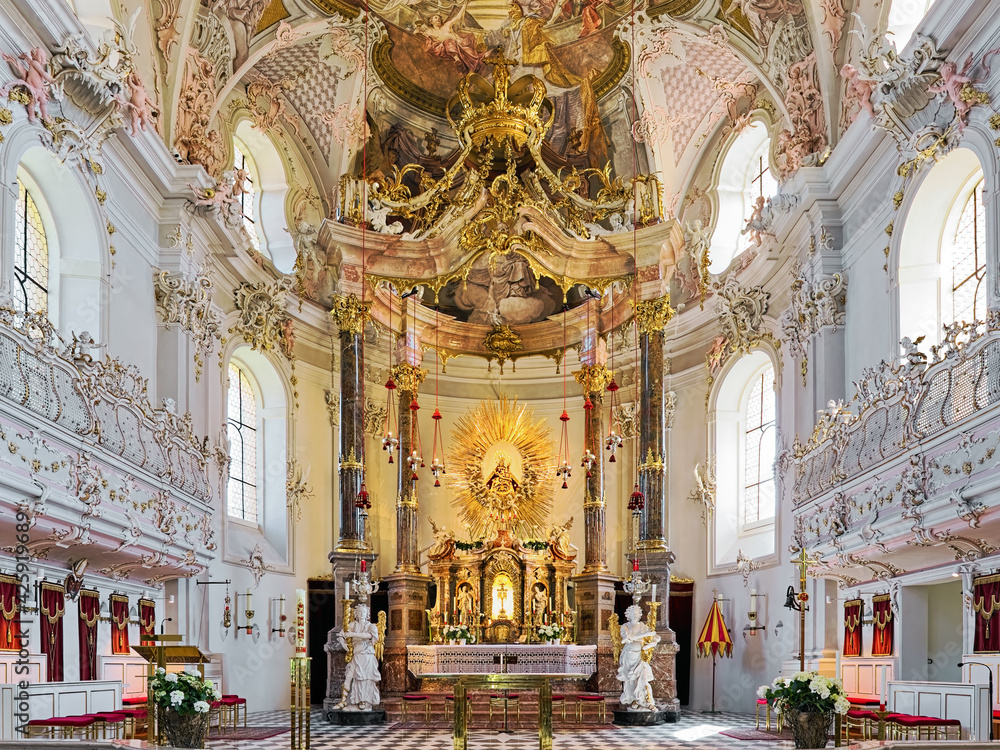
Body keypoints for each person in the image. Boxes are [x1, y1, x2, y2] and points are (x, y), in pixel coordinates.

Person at [335, 603, 382, 711]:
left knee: (365, 679)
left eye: (364, 612)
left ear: (367, 614)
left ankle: (363, 701)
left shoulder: (371, 626)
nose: (362, 614)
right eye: (360, 612)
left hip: (367, 656)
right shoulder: (352, 625)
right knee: (350, 677)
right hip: (357, 656)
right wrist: (343, 644)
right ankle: (343, 701)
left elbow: (371, 636)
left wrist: (353, 635)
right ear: (356, 613)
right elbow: (341, 634)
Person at [616, 604, 660, 711]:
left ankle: (646, 701)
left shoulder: (642, 626)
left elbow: (656, 636)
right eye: (633, 613)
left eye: (637, 613)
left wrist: (651, 644)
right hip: (628, 655)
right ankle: (634, 700)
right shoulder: (625, 627)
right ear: (628, 615)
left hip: (640, 656)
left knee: (643, 678)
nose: (635, 615)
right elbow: (628, 638)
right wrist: (645, 634)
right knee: (630, 680)